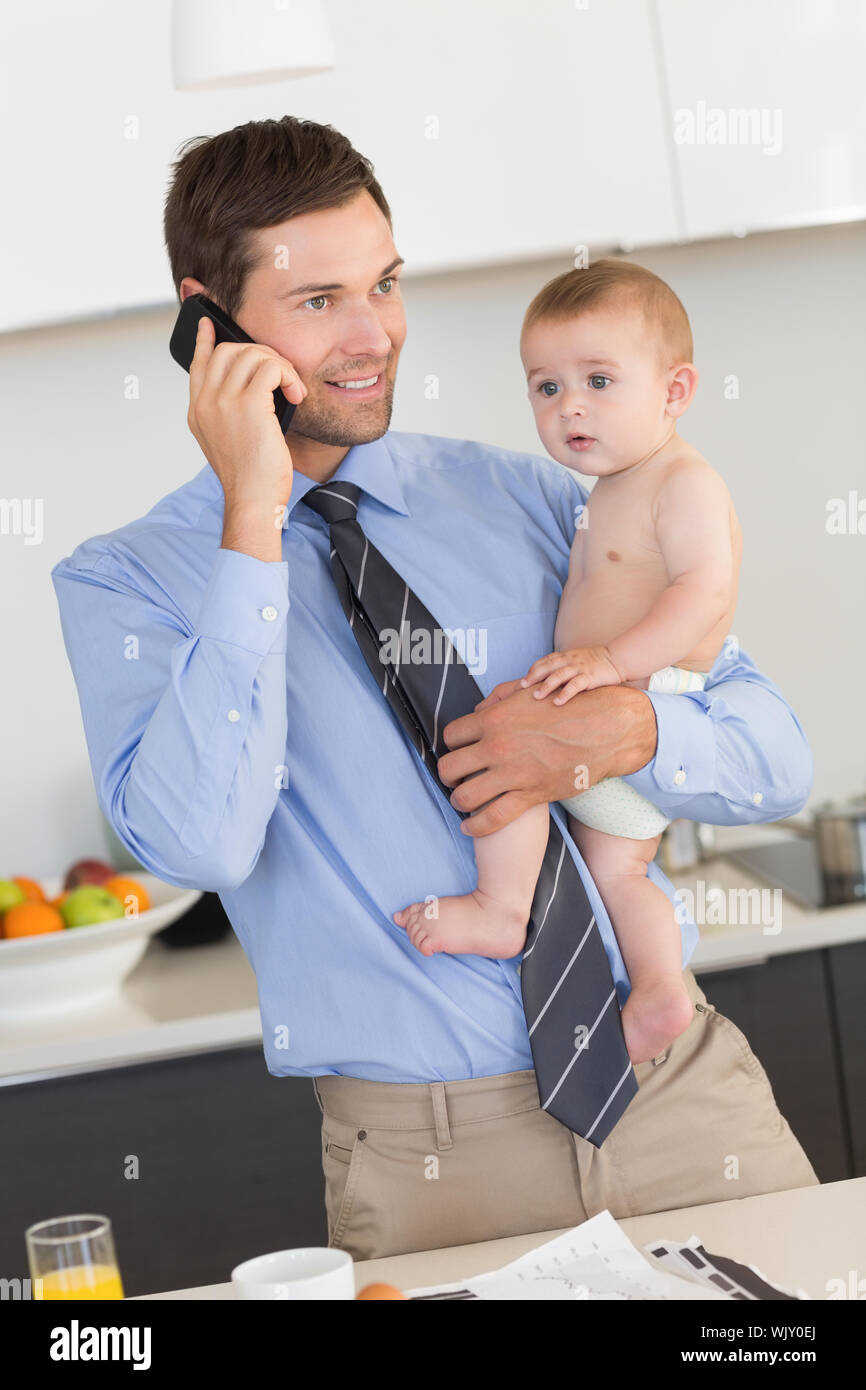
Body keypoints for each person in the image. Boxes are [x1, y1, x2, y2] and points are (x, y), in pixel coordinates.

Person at [52, 116, 818, 1262]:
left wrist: (626, 729)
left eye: (386, 283)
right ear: (207, 321)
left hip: (676, 1090)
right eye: (318, 301)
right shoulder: (126, 580)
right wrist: (251, 522)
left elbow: (774, 757)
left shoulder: (540, 494)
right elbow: (200, 846)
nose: (372, 338)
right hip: (433, 1165)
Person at [394, 259, 742, 1069]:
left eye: (598, 380)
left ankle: (498, 906)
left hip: (640, 692)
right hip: (621, 691)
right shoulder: (608, 486)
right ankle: (659, 986)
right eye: (546, 388)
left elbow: (705, 591)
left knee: (503, 747)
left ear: (675, 390)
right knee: (621, 874)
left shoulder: (682, 481)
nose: (569, 405)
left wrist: (607, 662)